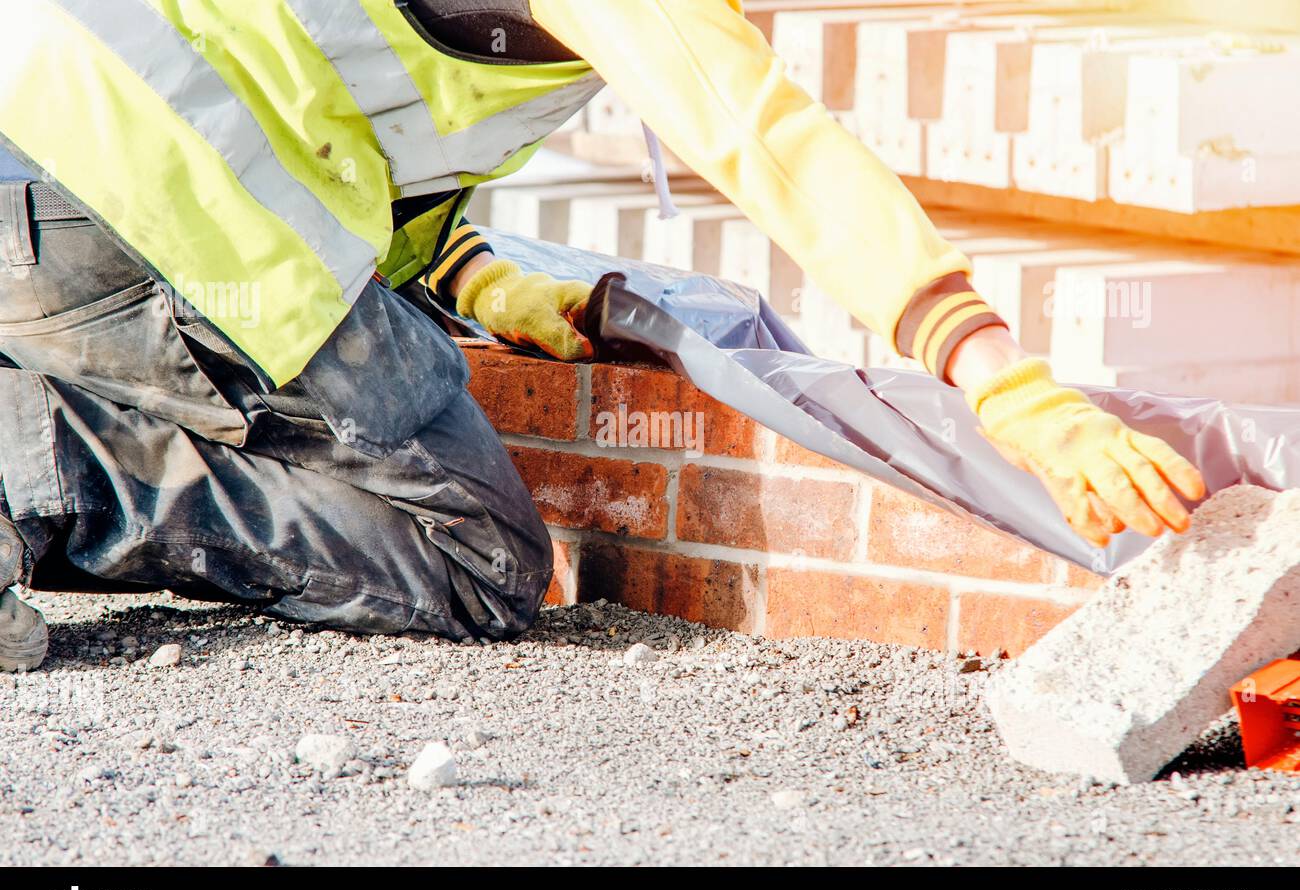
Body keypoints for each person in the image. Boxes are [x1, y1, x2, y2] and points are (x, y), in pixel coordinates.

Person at [0, 0, 1204, 672]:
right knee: (475, 558)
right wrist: (1008, 383)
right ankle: (22, 467)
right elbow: (767, 140)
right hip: (142, 198)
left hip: (37, 150)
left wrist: (478, 275)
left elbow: (348, 100)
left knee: (373, 373)